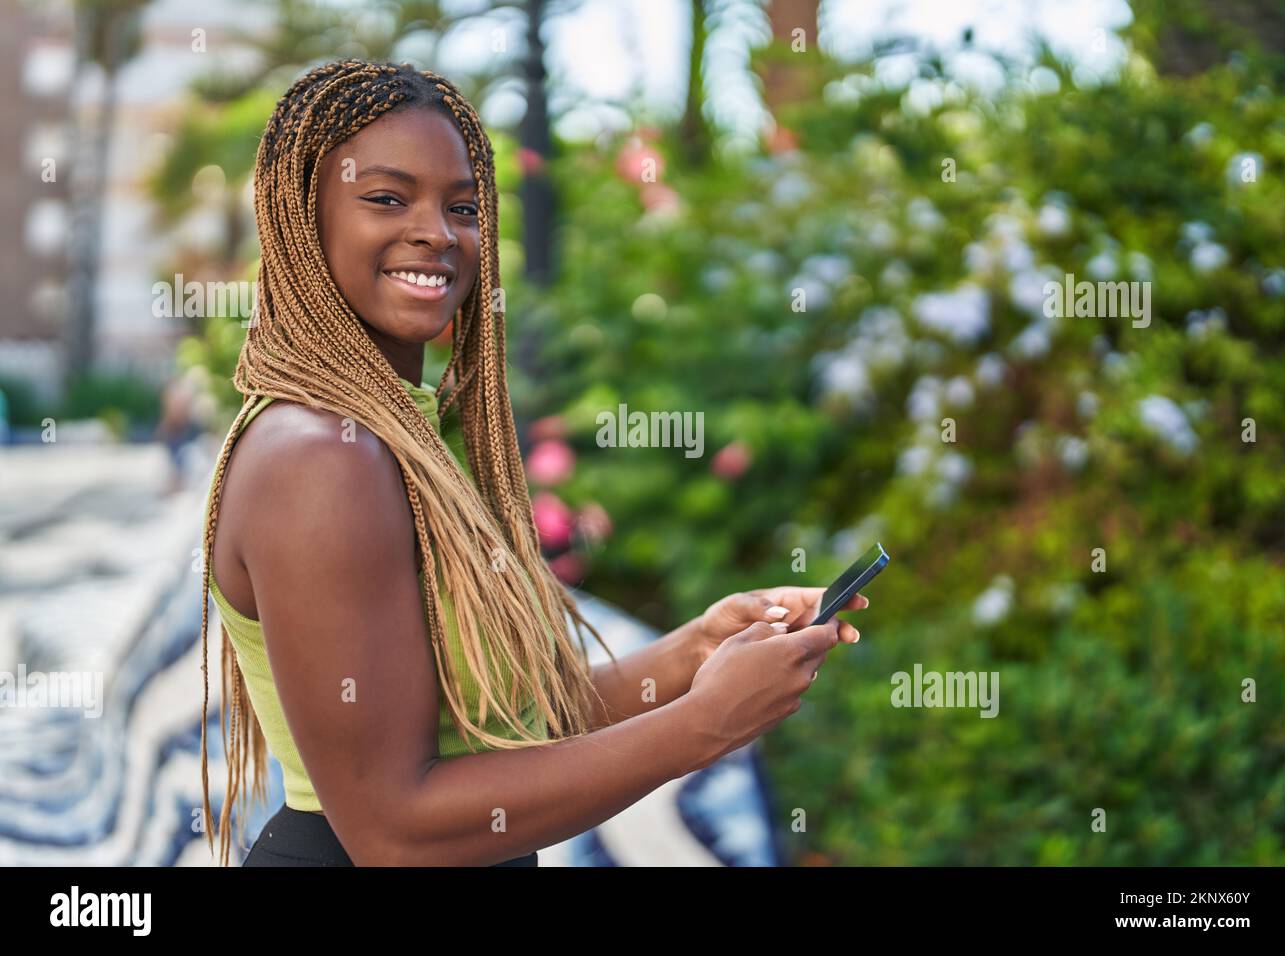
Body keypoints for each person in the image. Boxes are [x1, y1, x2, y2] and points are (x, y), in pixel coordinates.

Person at [199, 58, 867, 867]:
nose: (437, 233)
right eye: (386, 198)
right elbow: (392, 825)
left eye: (463, 206)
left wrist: (694, 654)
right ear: (301, 219)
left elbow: (502, 734)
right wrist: (703, 727)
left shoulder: (402, 433)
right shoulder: (317, 457)